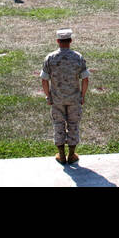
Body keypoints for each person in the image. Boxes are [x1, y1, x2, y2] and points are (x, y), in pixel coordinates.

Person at [41, 28, 90, 165]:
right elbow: (85, 79)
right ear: (70, 41)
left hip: (57, 99)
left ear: (57, 41)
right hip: (74, 99)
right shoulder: (78, 57)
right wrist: (82, 95)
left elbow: (44, 80)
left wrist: (48, 96)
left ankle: (61, 155)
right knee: (73, 125)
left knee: (58, 125)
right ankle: (72, 154)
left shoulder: (50, 58)